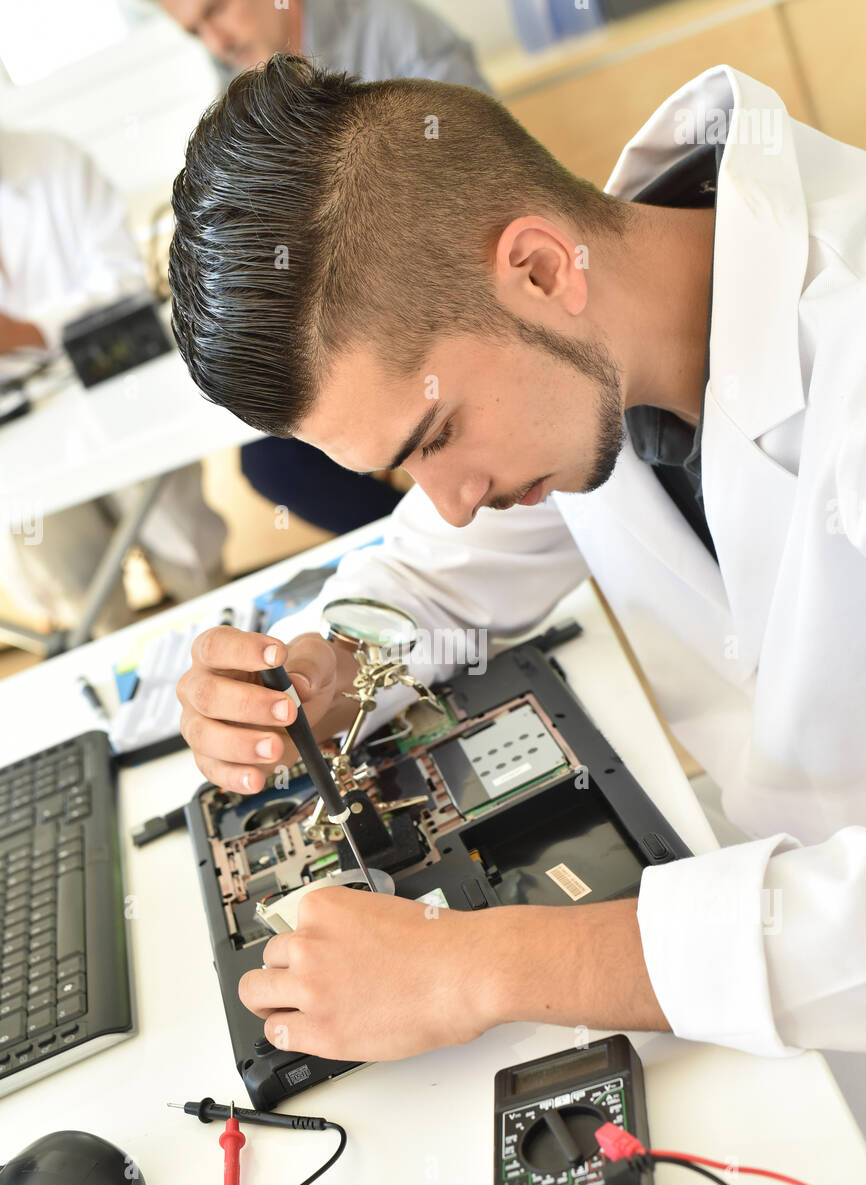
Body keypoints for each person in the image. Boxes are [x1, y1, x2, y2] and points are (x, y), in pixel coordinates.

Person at [170, 56, 866, 1063]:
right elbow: (428, 580)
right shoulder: (603, 330)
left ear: (539, 267)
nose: (448, 506)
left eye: (434, 438)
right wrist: (324, 670)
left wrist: (477, 965)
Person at [159, 0, 490, 532]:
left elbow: (479, 164)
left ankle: (466, 534)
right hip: (338, 320)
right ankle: (423, 541)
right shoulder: (237, 79)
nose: (216, 42)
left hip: (435, 294)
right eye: (195, 31)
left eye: (216, 11)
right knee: (272, 459)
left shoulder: (389, 24)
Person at [0, 127, 227, 636]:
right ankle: (122, 672)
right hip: (15, 435)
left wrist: (27, 331)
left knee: (182, 541)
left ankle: (226, 626)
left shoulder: (53, 161)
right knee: (71, 578)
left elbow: (126, 292)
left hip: (118, 391)